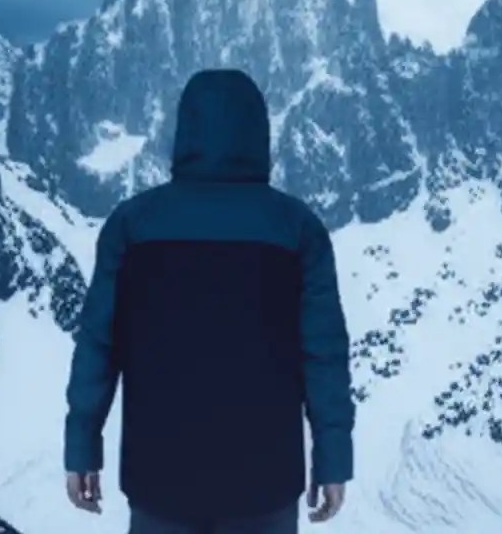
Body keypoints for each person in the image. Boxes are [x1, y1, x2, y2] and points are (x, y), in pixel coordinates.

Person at [63, 69, 355, 534]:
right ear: (259, 131)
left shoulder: (131, 226)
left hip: (158, 482)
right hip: (267, 486)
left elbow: (99, 344)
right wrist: (333, 457)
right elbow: (323, 355)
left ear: (184, 130)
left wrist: (82, 444)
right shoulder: (299, 229)